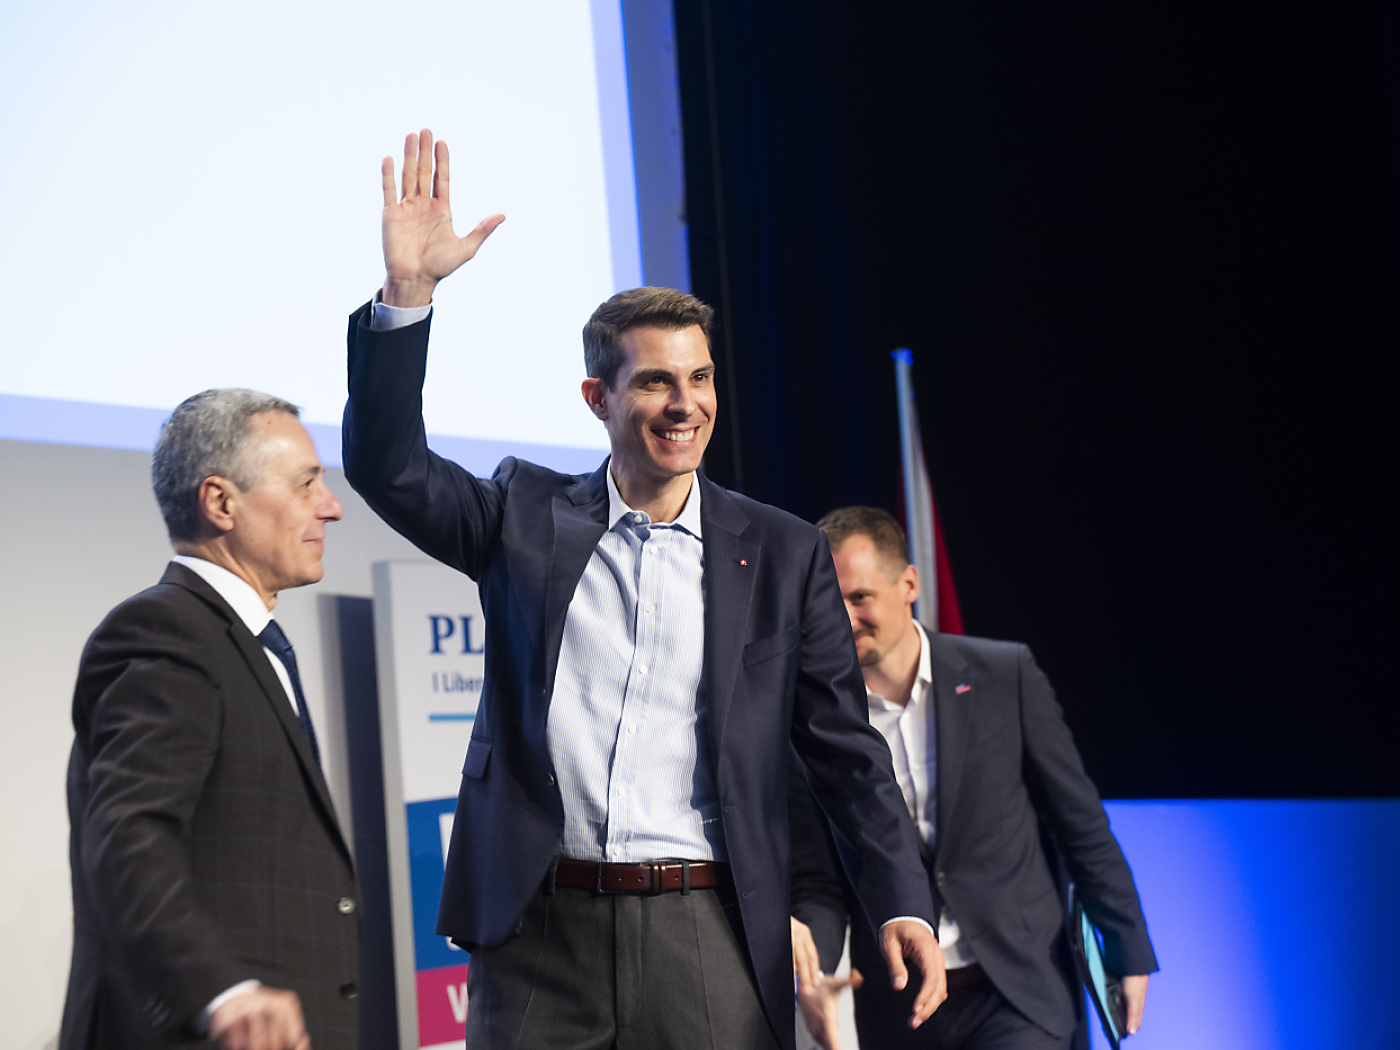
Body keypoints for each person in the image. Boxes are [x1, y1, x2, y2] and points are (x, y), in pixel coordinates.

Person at [340, 129, 945, 1050]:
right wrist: (409, 296)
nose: (685, 404)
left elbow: (843, 752)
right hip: (542, 932)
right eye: (656, 381)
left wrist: (902, 898)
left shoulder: (782, 552)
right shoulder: (524, 515)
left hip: (705, 929)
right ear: (598, 397)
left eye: (700, 379)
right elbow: (388, 467)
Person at [790, 506, 1157, 1050]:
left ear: (909, 583)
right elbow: (822, 881)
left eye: (859, 597)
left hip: (1017, 992)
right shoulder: (812, 720)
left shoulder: (1003, 675)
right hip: (902, 1009)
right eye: (829, 602)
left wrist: (1128, 947)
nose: (843, 617)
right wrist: (810, 974)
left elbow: (1080, 825)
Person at [61, 390, 360, 1050]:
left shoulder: (243, 643)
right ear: (221, 502)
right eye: (308, 482)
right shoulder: (165, 631)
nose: (331, 506)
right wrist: (218, 990)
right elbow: (127, 831)